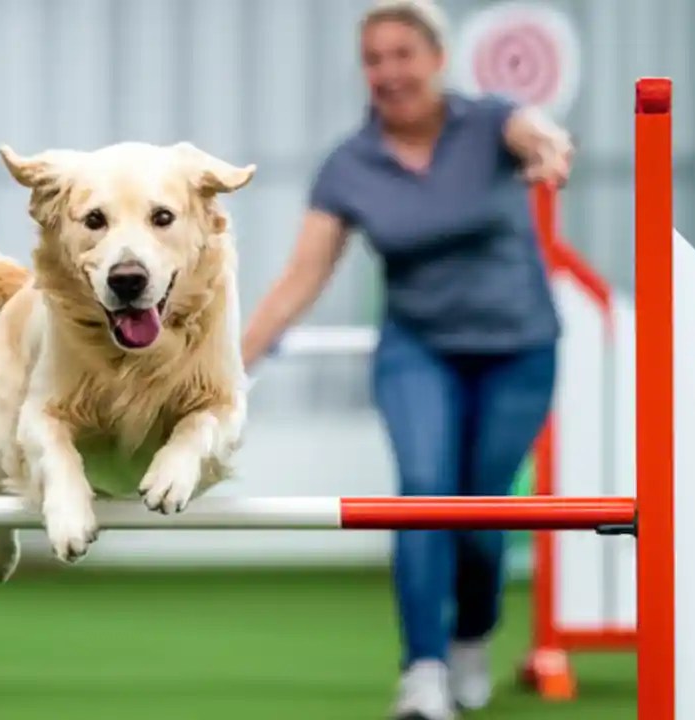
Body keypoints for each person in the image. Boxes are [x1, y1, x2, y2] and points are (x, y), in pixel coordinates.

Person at [239, 1, 574, 718]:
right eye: (374, 58)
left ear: (435, 58)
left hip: (516, 349)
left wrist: (547, 147)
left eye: (402, 54)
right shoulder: (350, 165)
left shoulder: (489, 124)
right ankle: (422, 670)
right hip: (417, 350)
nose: (389, 72)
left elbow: (531, 129)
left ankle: (472, 634)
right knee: (423, 494)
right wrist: (229, 369)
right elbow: (301, 277)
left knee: (482, 514)